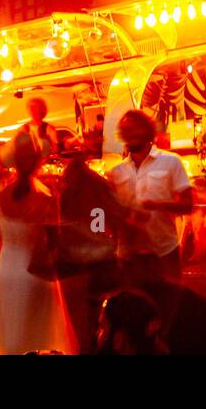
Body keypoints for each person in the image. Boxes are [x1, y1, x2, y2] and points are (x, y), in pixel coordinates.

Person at [0, 134, 75, 354]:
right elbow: (55, 242)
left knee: (10, 330)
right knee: (39, 334)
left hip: (6, 268)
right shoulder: (46, 198)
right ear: (39, 161)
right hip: (34, 270)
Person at [107, 109, 193, 286]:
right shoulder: (116, 172)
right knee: (133, 310)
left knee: (170, 306)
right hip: (128, 255)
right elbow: (102, 211)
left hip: (164, 252)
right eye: (125, 131)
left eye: (134, 129)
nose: (129, 135)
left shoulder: (171, 162)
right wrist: (106, 227)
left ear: (147, 130)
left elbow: (188, 205)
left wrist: (157, 205)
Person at [56, 143, 124, 353]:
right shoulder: (98, 183)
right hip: (99, 258)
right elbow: (114, 214)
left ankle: (87, 347)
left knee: (79, 319)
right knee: (100, 314)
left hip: (76, 261)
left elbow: (61, 225)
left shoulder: (66, 189)